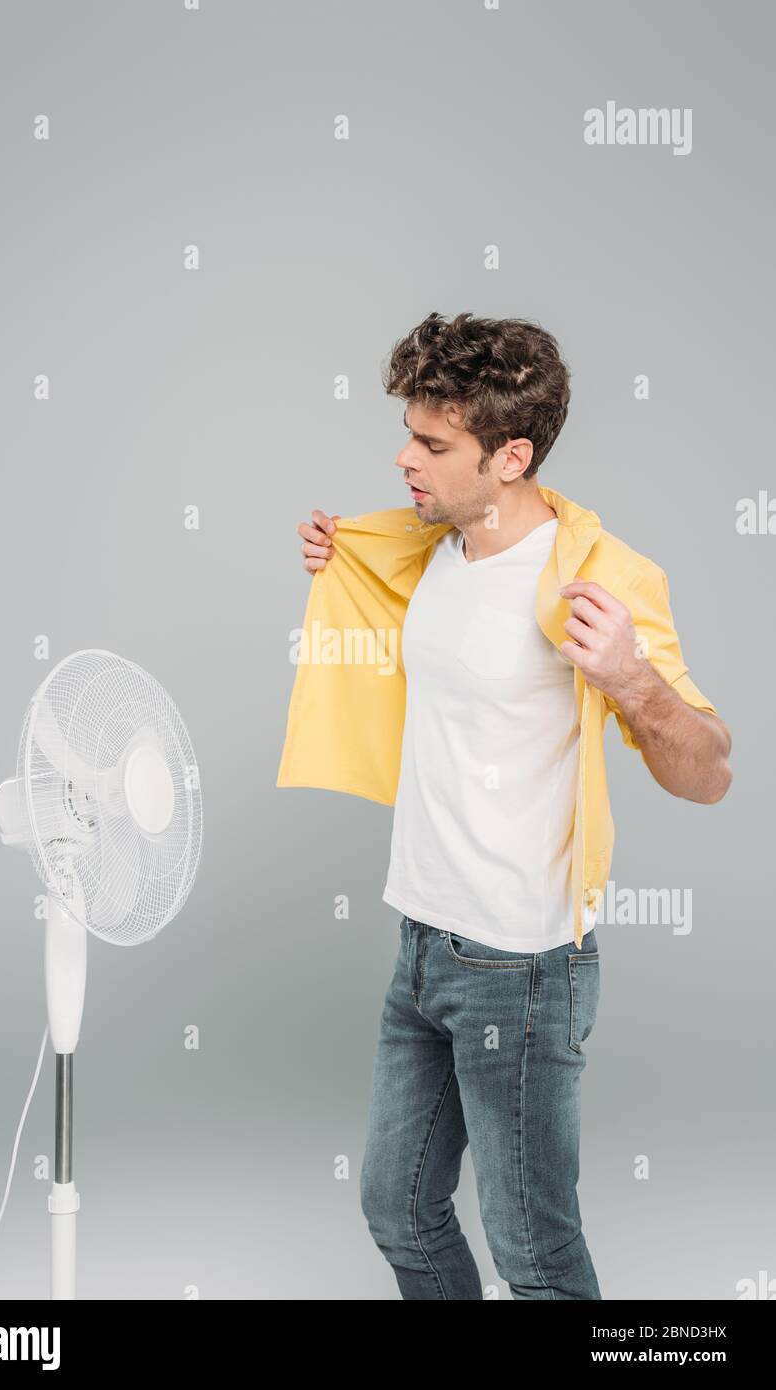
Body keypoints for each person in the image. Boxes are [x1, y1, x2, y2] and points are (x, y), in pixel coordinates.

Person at [286, 312, 732, 1300]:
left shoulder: (601, 579)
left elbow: (711, 769)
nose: (405, 458)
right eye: (409, 432)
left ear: (511, 454)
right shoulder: (428, 543)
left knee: (534, 1253)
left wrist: (631, 680)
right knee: (398, 1209)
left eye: (434, 444)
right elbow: (397, 601)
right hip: (422, 943)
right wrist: (341, 556)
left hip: (522, 972)